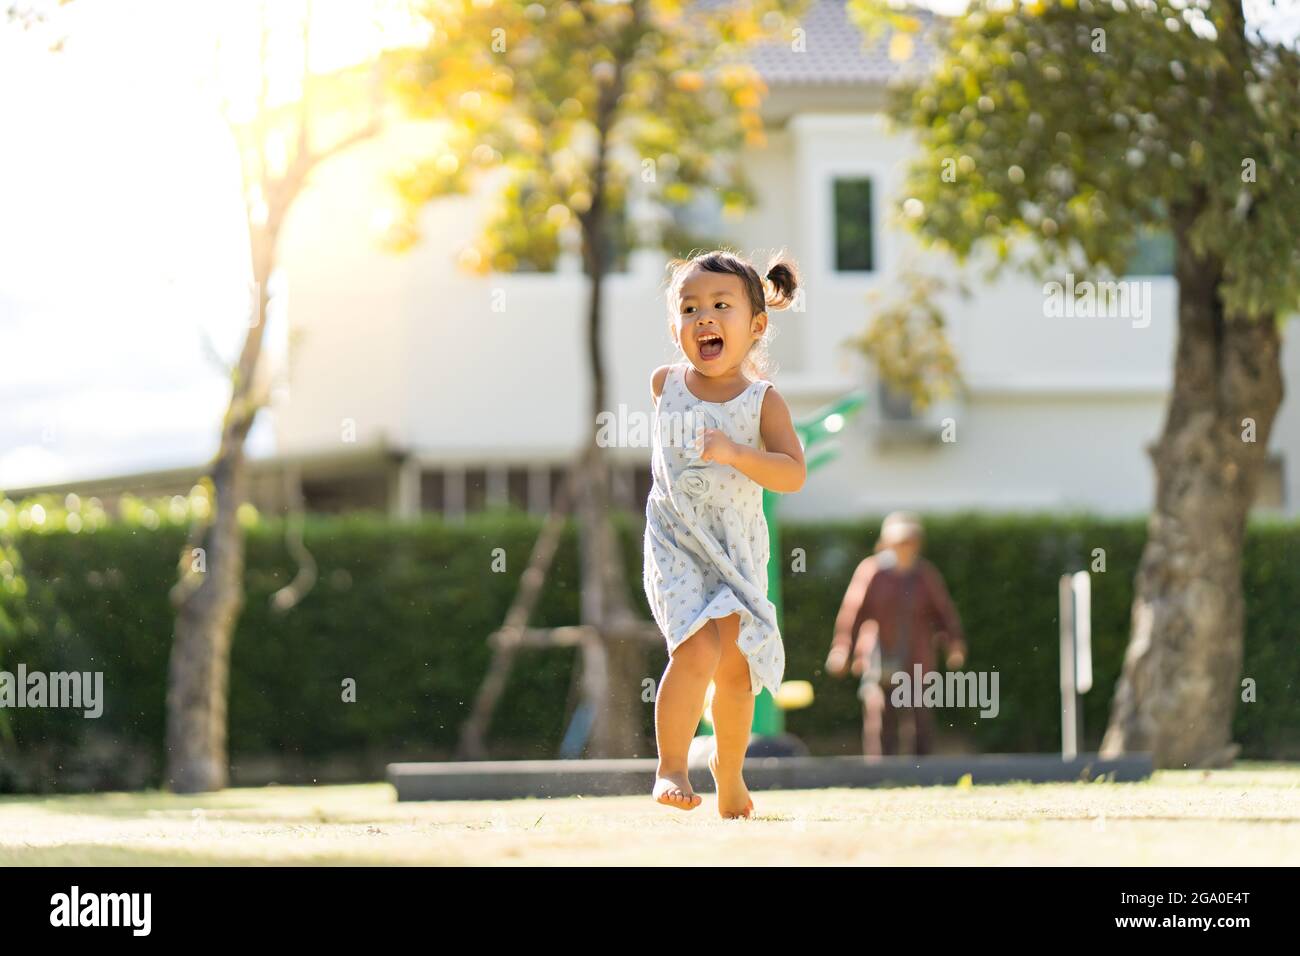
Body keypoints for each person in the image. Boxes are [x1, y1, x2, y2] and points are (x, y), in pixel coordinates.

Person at [643, 249, 806, 818]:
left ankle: (729, 772)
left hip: (735, 548)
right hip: (677, 542)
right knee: (697, 646)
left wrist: (737, 452)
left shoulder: (763, 401)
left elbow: (792, 473)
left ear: (756, 325)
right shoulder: (667, 384)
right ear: (675, 327)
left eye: (720, 306)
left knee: (736, 672)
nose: (704, 318)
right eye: (690, 309)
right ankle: (670, 767)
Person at [825, 512, 967, 757]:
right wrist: (841, 650)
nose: (905, 547)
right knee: (880, 715)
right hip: (879, 658)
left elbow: (943, 613)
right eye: (900, 541)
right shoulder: (871, 571)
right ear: (886, 542)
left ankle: (923, 773)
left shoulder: (925, 575)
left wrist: (954, 644)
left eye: (910, 541)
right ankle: (881, 774)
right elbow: (852, 615)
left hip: (918, 659)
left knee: (920, 717)